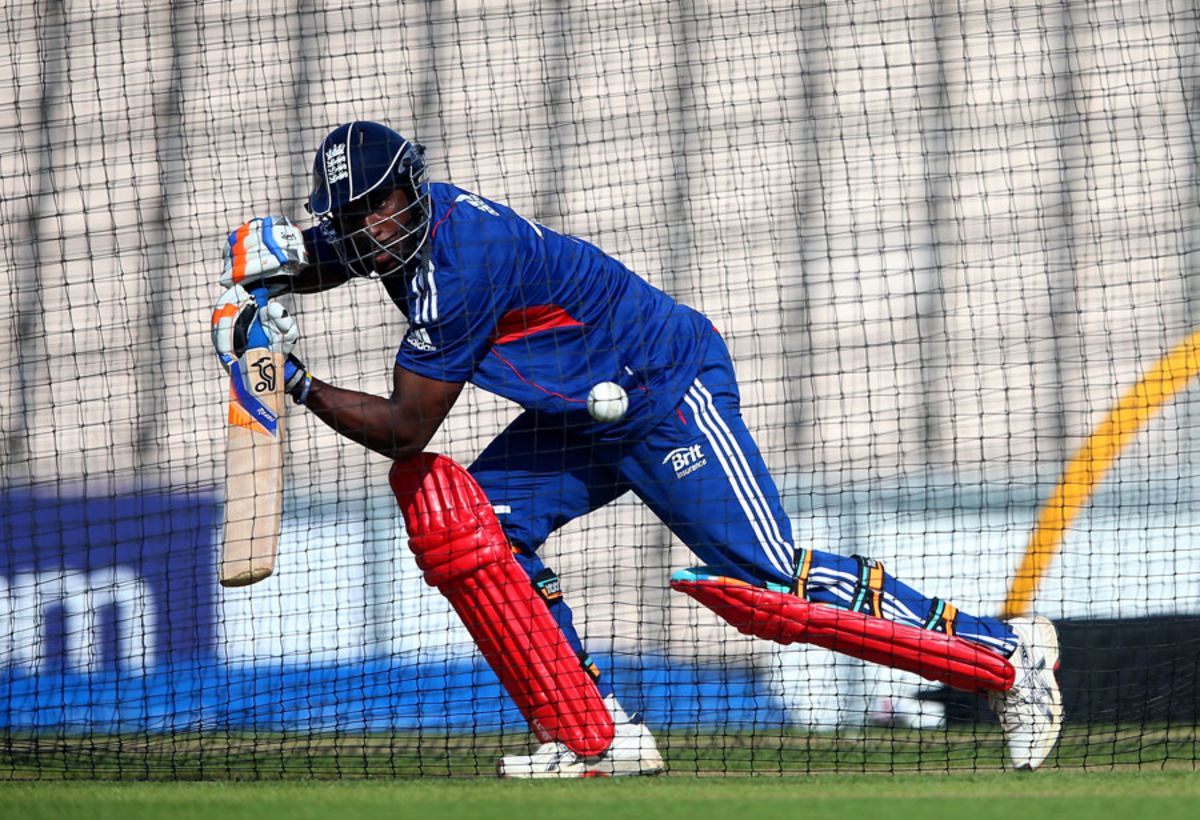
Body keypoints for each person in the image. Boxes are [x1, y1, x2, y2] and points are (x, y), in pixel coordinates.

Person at [211, 121, 1063, 776]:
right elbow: (333, 258)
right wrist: (275, 264)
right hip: (583, 411)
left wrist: (294, 382)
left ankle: (1008, 653)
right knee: (483, 532)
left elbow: (406, 429)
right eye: (352, 218)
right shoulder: (390, 237)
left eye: (379, 206)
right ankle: (592, 728)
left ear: (411, 187)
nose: (369, 229)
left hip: (663, 389)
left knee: (768, 573)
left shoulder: (461, 263)